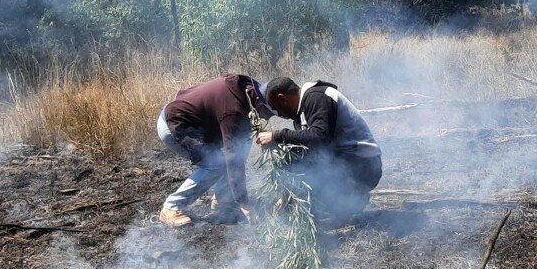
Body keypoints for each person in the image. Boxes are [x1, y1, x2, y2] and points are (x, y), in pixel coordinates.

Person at [257, 77, 382, 226]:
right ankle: (347, 204)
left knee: (311, 180)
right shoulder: (301, 114)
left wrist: (277, 136)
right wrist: (284, 194)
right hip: (347, 161)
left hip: (364, 165)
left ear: (282, 98)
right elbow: (308, 151)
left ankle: (354, 198)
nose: (280, 114)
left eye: (277, 109)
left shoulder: (317, 97)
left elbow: (320, 137)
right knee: (301, 169)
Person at [156, 74, 271, 227]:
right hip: (176, 125)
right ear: (260, 103)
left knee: (239, 145)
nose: (264, 118)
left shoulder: (249, 90)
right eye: (265, 114)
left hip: (197, 124)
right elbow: (232, 157)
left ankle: (224, 200)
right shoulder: (233, 110)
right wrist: (243, 202)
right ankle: (172, 207)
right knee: (216, 164)